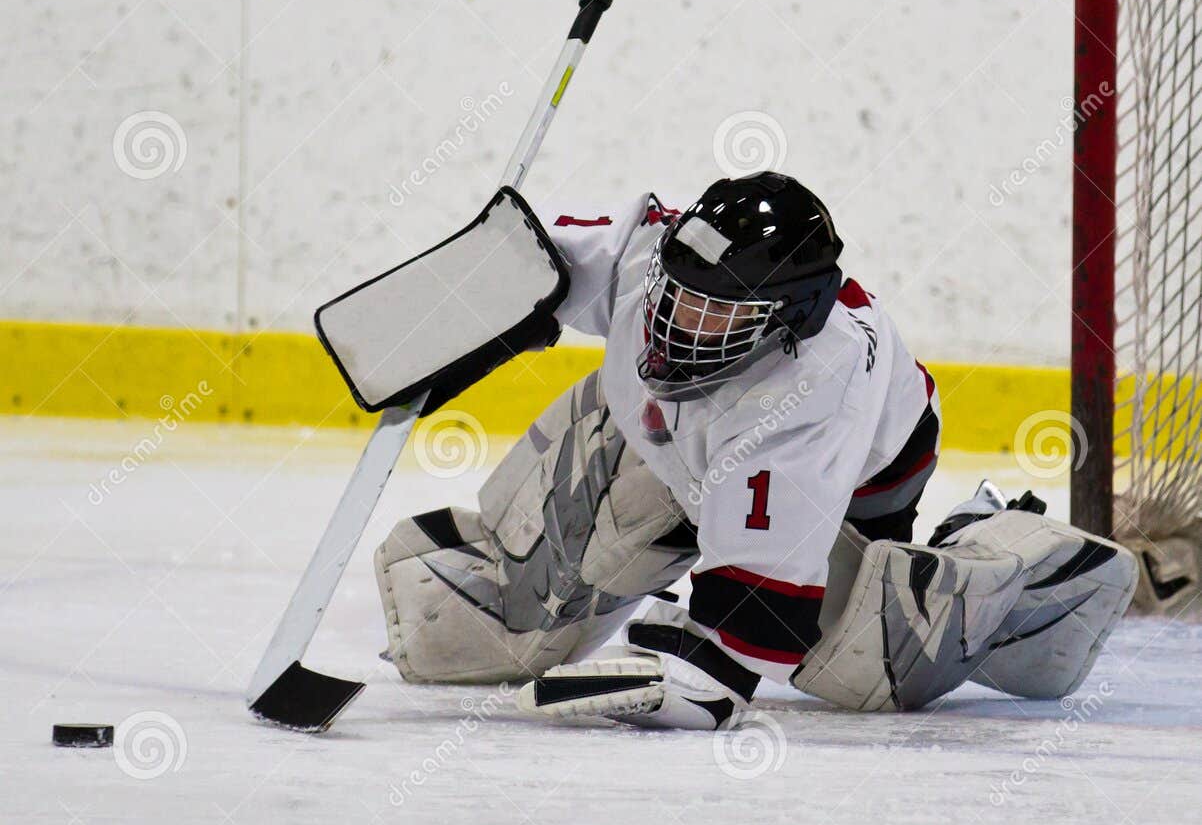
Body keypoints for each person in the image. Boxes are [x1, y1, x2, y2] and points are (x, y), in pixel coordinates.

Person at [375, 172, 1136, 730]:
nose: (674, 327)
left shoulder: (809, 404)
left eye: (714, 314)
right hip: (677, 440)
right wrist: (469, 302)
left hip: (859, 484)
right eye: (679, 296)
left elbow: (728, 668)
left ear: (788, 322)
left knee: (861, 664)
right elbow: (538, 257)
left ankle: (1011, 556)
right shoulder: (650, 255)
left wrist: (675, 679)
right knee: (473, 630)